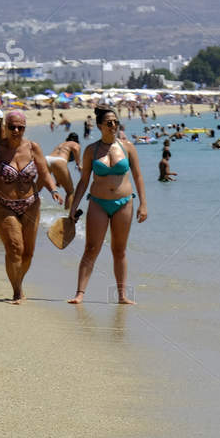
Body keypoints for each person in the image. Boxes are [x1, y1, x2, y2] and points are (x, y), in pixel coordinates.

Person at [0, 111, 63, 303]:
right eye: (12, 127)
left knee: (28, 253)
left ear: (25, 128)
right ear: (5, 127)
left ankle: (18, 281)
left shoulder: (33, 147)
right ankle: (17, 291)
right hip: (2, 205)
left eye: (20, 127)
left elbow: (44, 173)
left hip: (31, 204)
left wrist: (53, 190)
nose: (16, 130)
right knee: (15, 248)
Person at [67, 106, 147, 305]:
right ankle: (79, 294)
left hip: (124, 203)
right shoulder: (91, 150)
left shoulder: (128, 147)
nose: (113, 125)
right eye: (109, 123)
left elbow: (138, 176)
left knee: (119, 250)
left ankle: (122, 296)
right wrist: (73, 206)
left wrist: (143, 204)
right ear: (99, 126)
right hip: (98, 203)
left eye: (115, 122)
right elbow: (84, 181)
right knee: (91, 248)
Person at [44, 130, 80, 196]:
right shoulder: (75, 144)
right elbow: (59, 163)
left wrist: (57, 180)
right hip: (59, 162)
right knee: (70, 192)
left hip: (47, 159)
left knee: (38, 188)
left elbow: (54, 163)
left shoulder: (61, 145)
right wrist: (78, 164)